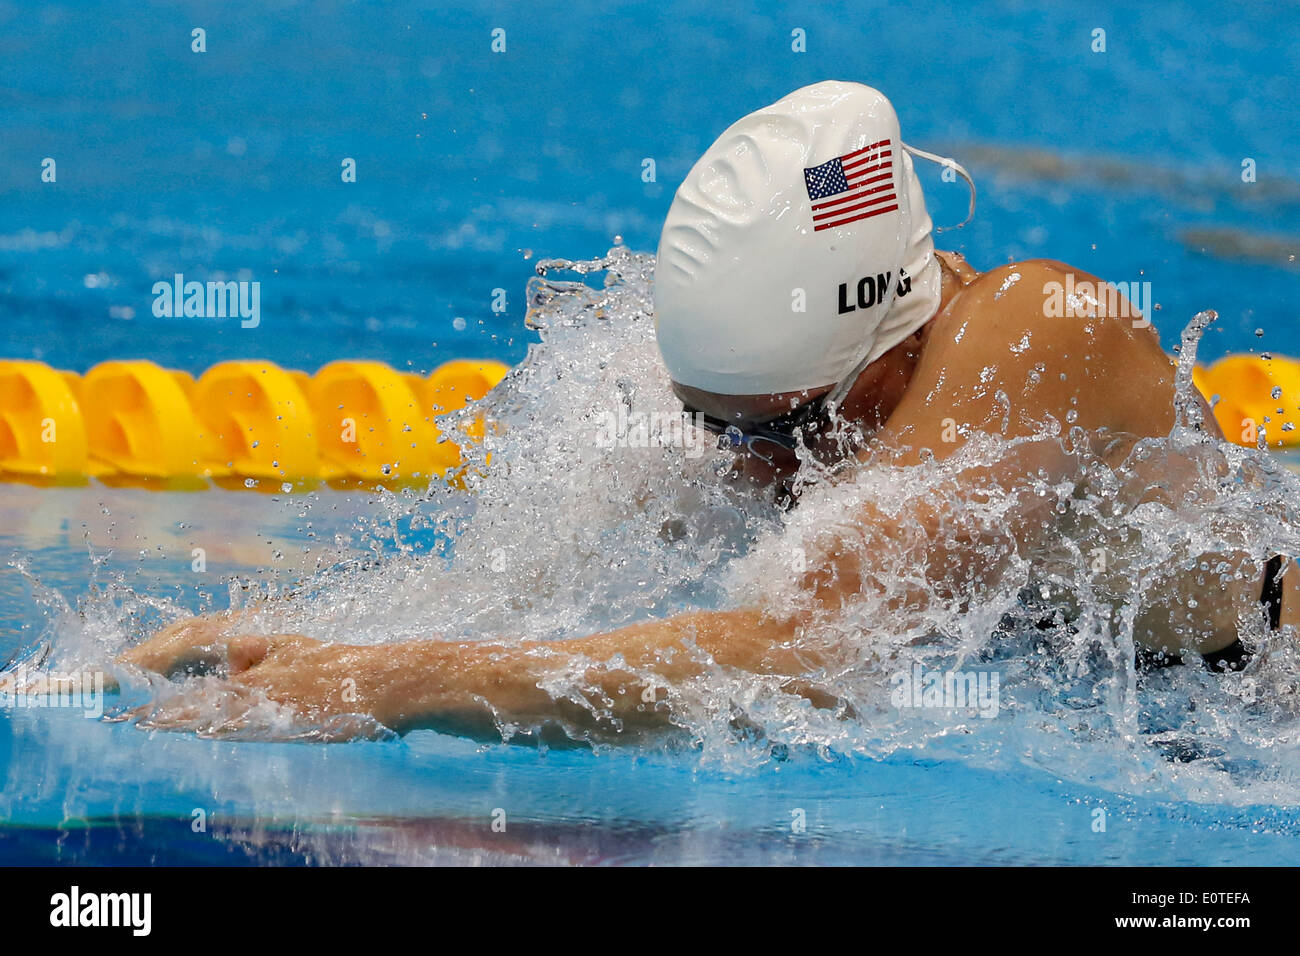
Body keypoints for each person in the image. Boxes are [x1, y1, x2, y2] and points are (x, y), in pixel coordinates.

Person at [119, 81, 1296, 742]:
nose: (737, 469)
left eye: (774, 430)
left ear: (888, 349)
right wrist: (321, 644)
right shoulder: (737, 383)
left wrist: (390, 686)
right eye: (711, 425)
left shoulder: (1039, 330)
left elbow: (817, 650)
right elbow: (521, 591)